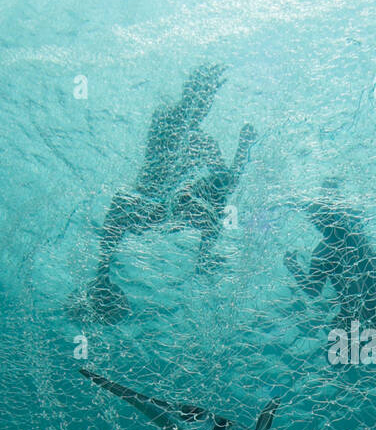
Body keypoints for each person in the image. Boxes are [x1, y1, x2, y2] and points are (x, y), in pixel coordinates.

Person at [75, 65, 255, 321]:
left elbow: (226, 183)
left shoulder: (204, 142)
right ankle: (100, 280)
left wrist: (242, 150)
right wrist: (199, 90)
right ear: (188, 96)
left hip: (171, 207)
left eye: (206, 102)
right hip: (144, 201)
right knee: (123, 201)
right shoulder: (166, 119)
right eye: (198, 99)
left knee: (215, 196)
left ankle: (203, 260)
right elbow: (179, 120)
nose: (202, 108)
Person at [284, 198, 376, 332]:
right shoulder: (355, 236)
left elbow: (313, 290)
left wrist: (293, 266)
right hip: (366, 307)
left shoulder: (323, 252)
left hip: (349, 312)